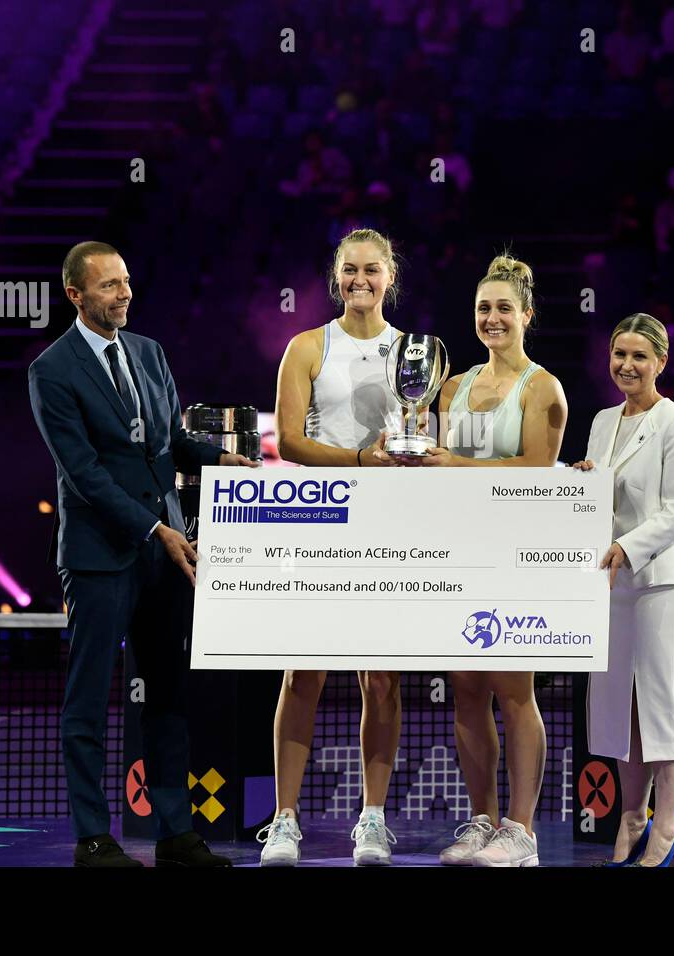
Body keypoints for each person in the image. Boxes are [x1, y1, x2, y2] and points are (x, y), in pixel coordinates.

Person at [28, 241, 259, 867]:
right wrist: (157, 530)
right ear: (76, 295)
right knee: (88, 701)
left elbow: (168, 444)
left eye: (126, 282)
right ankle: (93, 837)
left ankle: (176, 833)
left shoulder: (150, 353)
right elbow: (85, 476)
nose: (123, 294)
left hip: (163, 560)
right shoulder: (51, 371)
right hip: (102, 557)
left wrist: (220, 459)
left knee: (168, 697)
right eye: (108, 286)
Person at [402, 254, 568, 867]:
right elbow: (435, 469)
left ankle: (521, 831)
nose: (493, 318)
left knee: (514, 690)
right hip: (457, 554)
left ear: (527, 315)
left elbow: (535, 471)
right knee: (467, 690)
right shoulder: (451, 386)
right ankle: (483, 821)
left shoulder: (543, 387)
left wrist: (457, 467)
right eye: (483, 309)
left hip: (515, 556)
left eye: (504, 308)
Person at [261, 228, 406, 866]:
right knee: (304, 673)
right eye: (350, 270)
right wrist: (357, 461)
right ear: (335, 275)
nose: (360, 281)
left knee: (381, 678)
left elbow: (429, 437)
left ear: (390, 276)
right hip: (318, 527)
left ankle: (372, 820)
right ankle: (284, 821)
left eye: (371, 271)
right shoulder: (306, 347)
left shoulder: (418, 353)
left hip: (391, 527)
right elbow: (289, 442)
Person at [572, 313, 674, 866]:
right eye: (619, 354)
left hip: (662, 579)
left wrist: (631, 545)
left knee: (663, 704)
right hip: (611, 582)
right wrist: (584, 482)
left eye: (639, 357)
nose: (627, 365)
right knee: (621, 707)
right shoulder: (603, 421)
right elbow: (606, 495)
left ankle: (668, 827)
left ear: (661, 363)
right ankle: (633, 815)